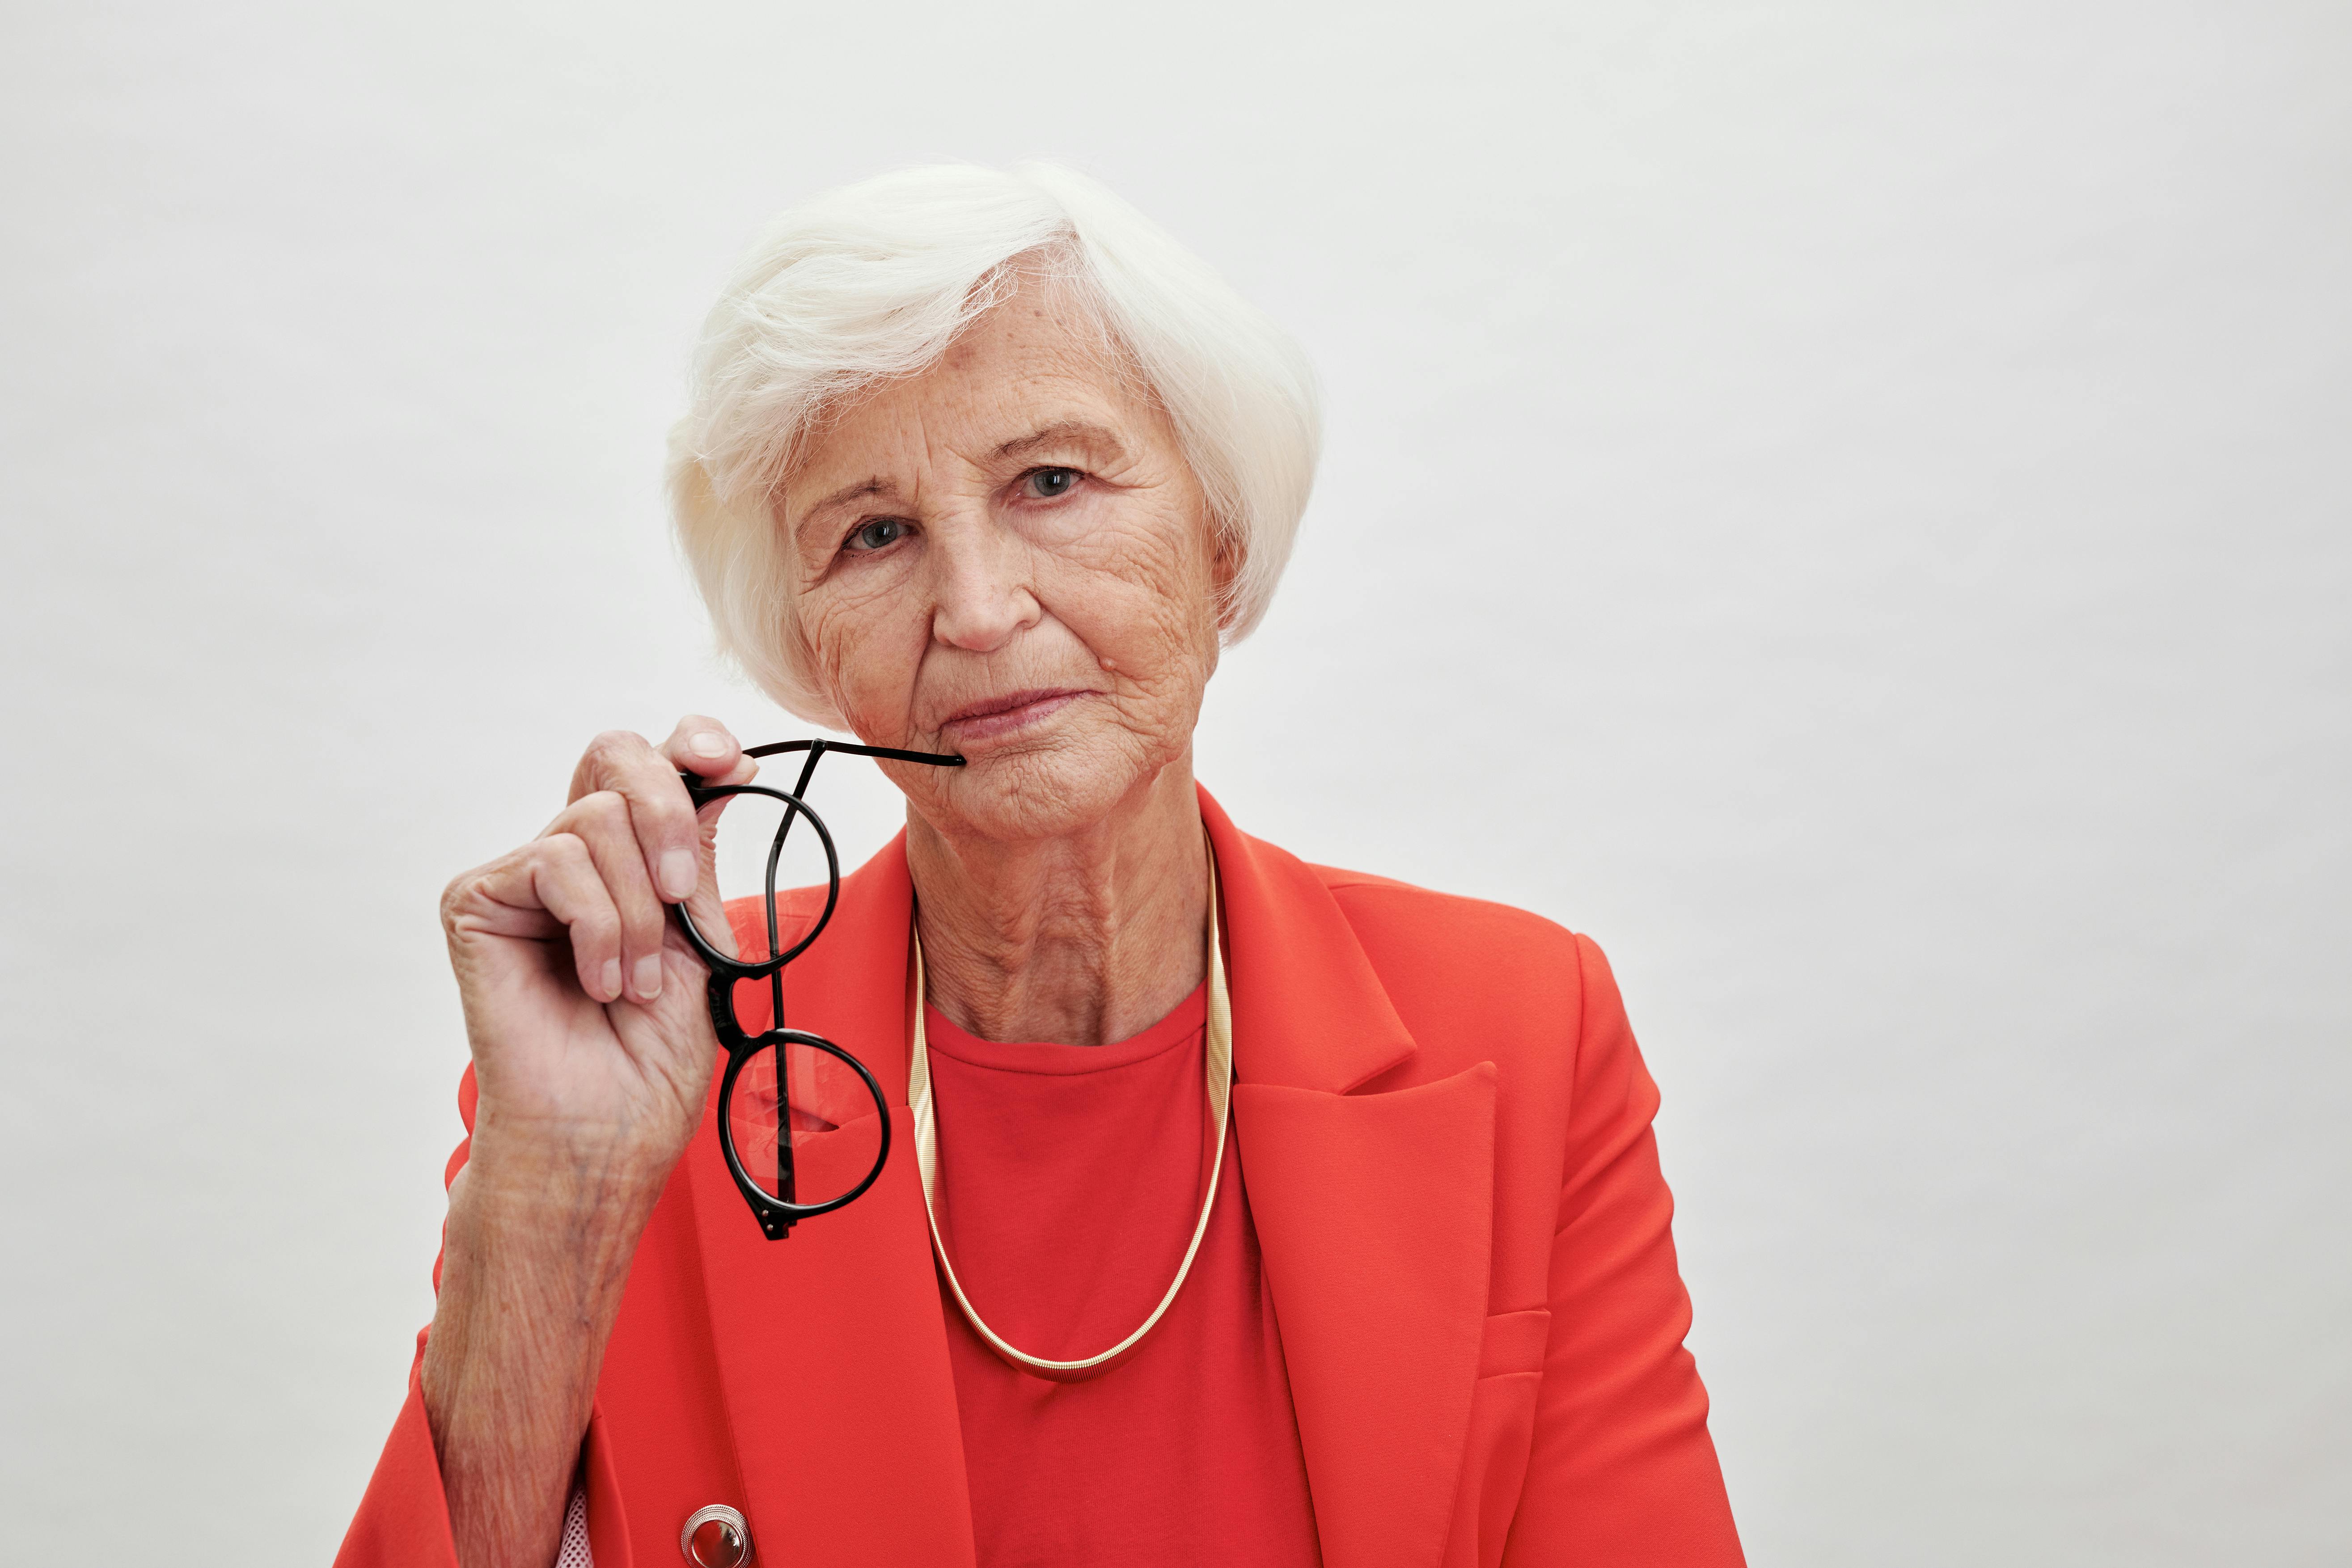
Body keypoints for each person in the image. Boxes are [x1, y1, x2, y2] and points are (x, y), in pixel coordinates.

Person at [335, 163, 1744, 1568]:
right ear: (808, 645)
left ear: (1219, 539)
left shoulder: (1515, 1020)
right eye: (874, 533)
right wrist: (550, 1198)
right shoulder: (662, 1038)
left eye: (1052, 480)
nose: (976, 606)